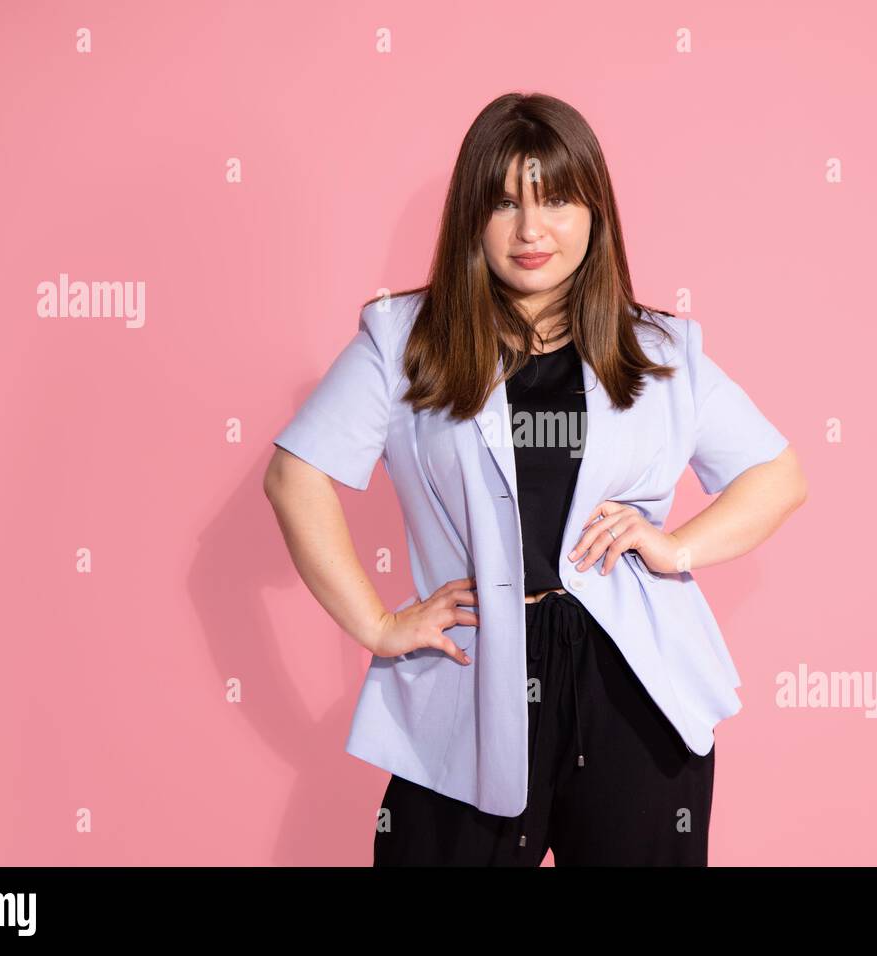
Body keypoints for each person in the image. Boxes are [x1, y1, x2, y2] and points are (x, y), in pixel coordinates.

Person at [264, 92, 808, 866]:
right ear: (470, 218)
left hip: (630, 684)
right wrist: (378, 627)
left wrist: (676, 547)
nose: (530, 230)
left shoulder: (659, 349)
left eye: (555, 199)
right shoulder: (404, 341)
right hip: (474, 672)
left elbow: (777, 475)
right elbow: (295, 478)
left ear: (594, 213)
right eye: (504, 203)